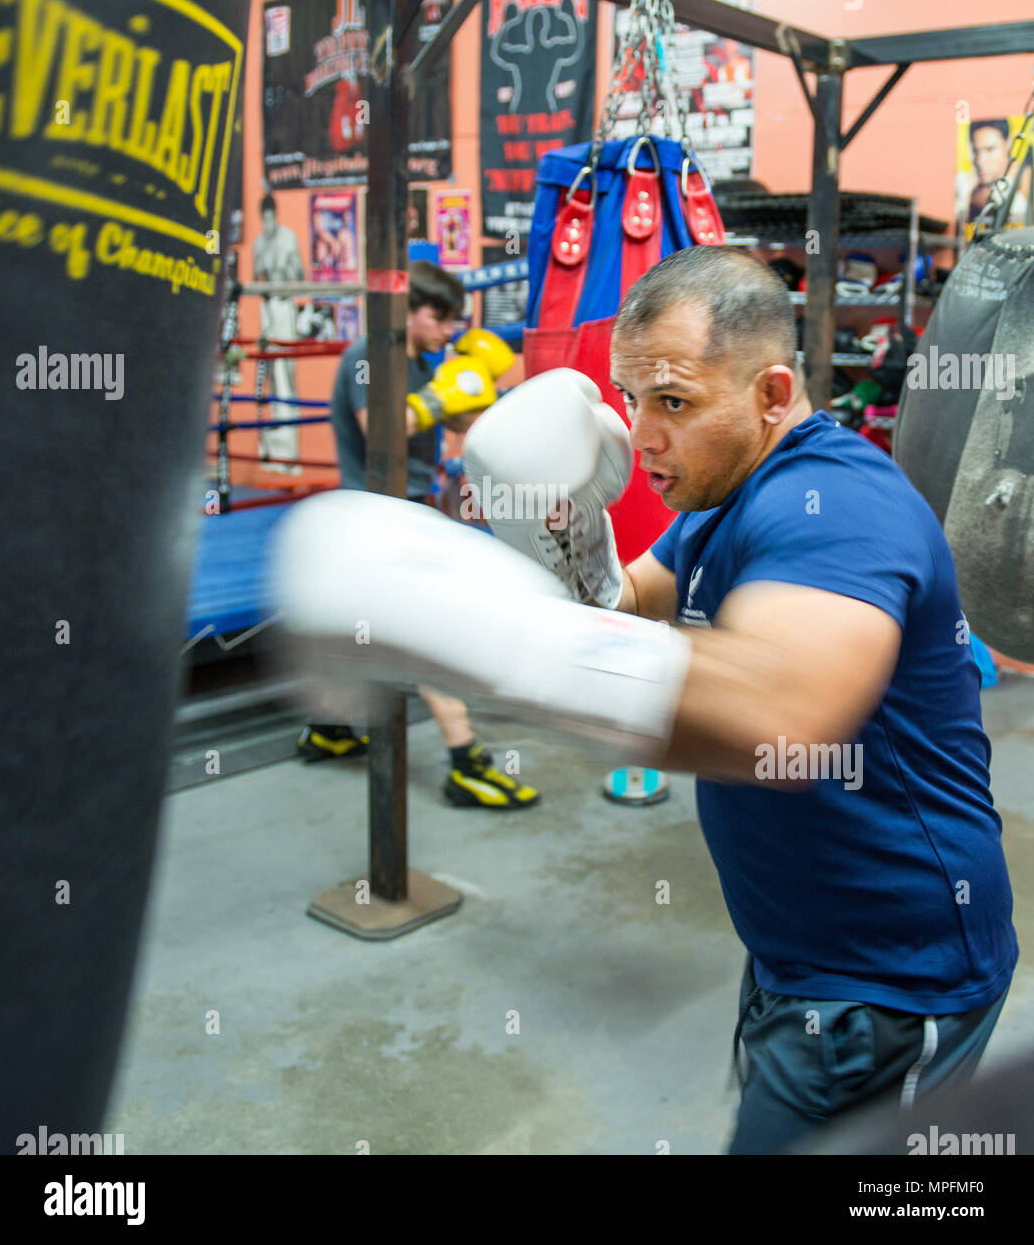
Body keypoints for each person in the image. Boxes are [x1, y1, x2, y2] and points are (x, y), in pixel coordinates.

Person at [275, 245, 1017, 1152]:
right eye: (630, 399)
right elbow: (624, 603)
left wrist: (491, 636)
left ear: (772, 394)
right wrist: (563, 533)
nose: (644, 435)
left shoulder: (836, 505)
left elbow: (784, 711)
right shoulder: (719, 495)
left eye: (673, 401)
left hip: (890, 976)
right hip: (803, 948)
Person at [299, 260, 541, 811]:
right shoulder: (369, 357)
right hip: (377, 512)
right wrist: (442, 395)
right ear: (409, 312)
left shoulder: (424, 362)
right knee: (429, 633)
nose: (451, 328)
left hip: (407, 506)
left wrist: (480, 384)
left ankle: (328, 727)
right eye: (442, 317)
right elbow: (381, 428)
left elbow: (460, 424)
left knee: (368, 631)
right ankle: (466, 763)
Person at [252, 193, 304, 471]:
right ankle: (270, 454)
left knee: (287, 375)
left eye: (271, 218)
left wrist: (287, 269)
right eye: (265, 219)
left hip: (285, 307)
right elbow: (253, 279)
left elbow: (301, 275)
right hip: (267, 307)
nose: (268, 224)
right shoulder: (259, 242)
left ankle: (291, 456)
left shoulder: (288, 238)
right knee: (268, 375)